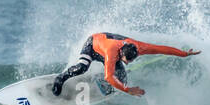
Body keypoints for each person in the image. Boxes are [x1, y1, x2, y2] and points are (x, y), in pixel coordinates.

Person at [52, 32, 200, 97]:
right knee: (82, 67)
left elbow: (161, 49)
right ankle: (60, 79)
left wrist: (184, 53)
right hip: (93, 46)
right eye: (127, 60)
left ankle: (101, 84)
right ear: (121, 53)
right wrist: (127, 90)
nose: (129, 63)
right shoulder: (112, 51)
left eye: (131, 60)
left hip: (109, 51)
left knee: (122, 78)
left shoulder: (139, 47)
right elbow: (110, 76)